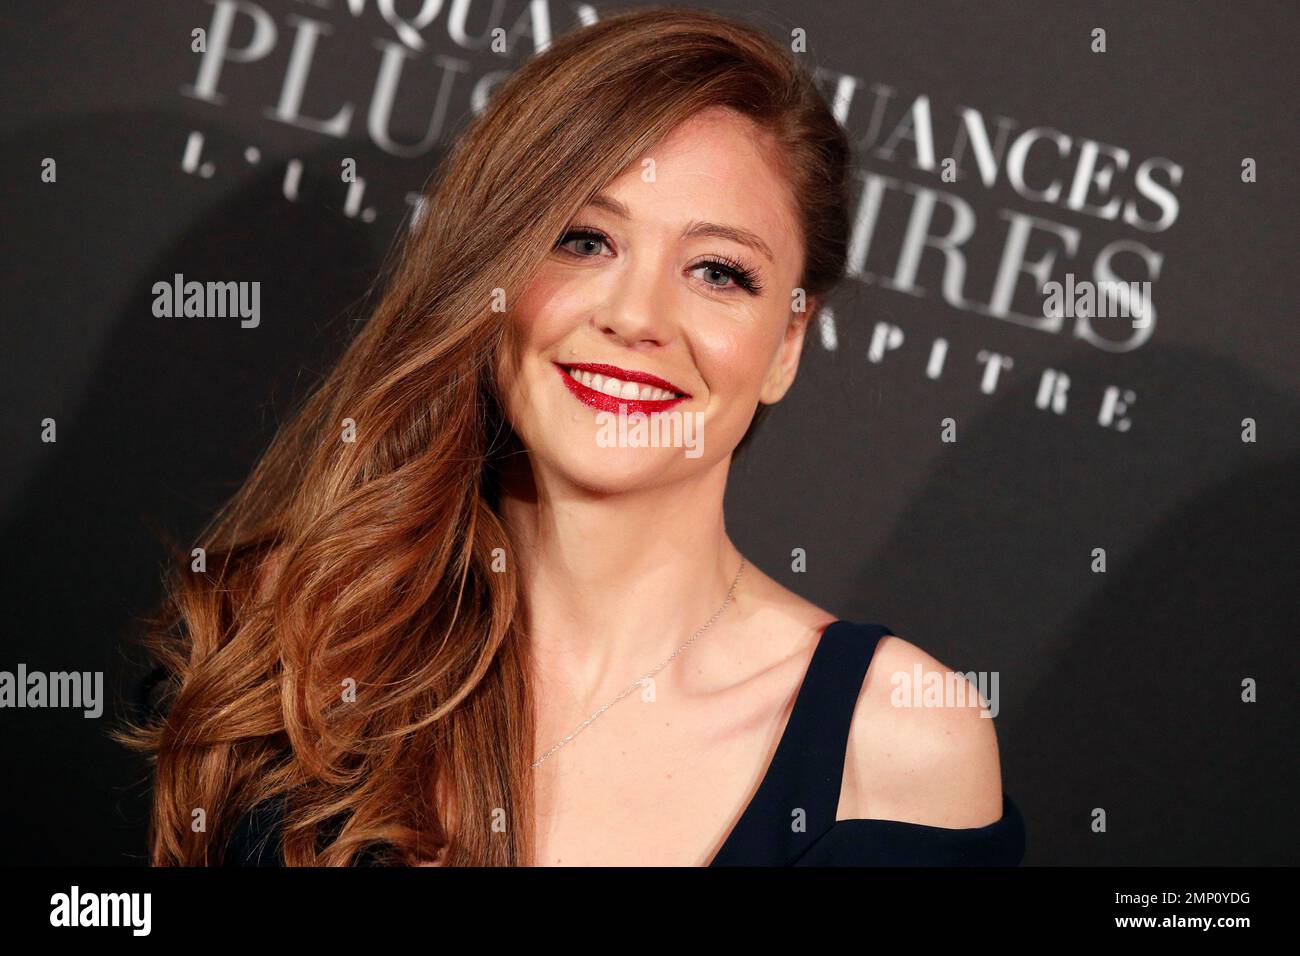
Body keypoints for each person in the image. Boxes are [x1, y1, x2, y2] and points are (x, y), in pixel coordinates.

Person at [119, 6, 1024, 867]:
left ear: (787, 341)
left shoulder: (895, 742)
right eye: (585, 240)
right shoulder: (283, 647)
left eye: (718, 270)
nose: (638, 317)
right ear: (492, 269)